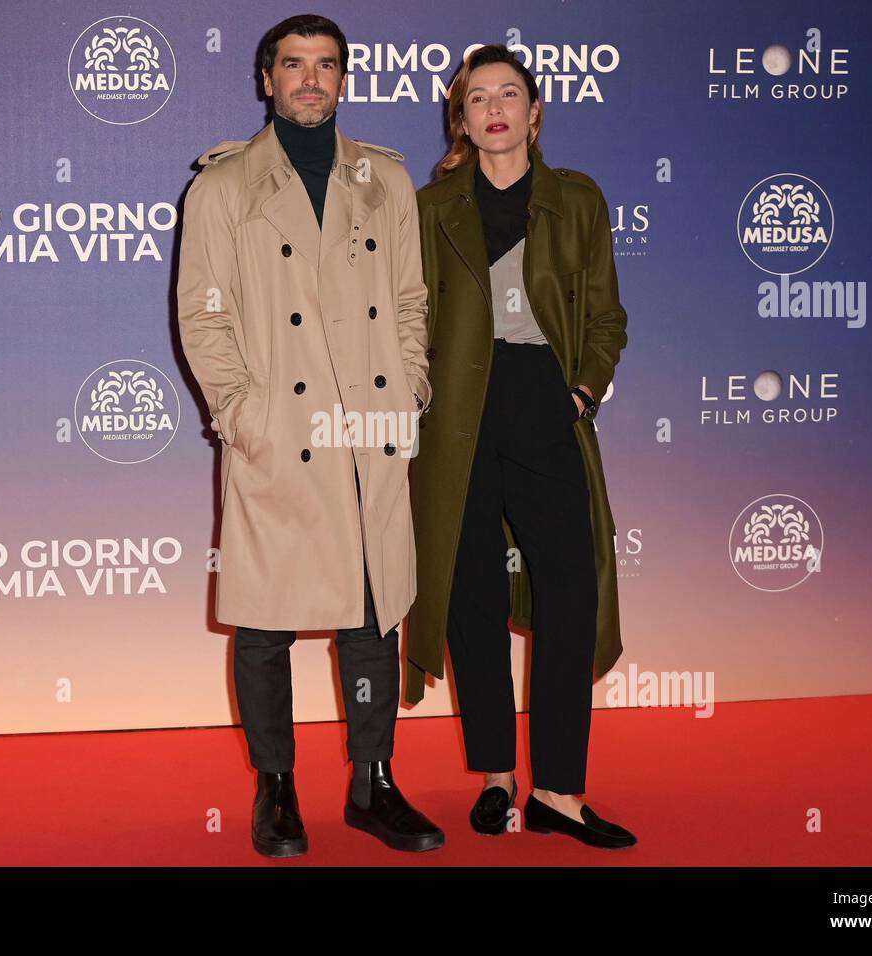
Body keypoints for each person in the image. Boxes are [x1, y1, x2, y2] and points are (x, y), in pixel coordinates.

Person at [176, 14, 443, 858]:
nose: (310, 81)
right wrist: (242, 417)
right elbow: (204, 317)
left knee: (370, 616)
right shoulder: (222, 187)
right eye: (293, 66)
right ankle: (277, 790)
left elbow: (408, 302)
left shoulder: (385, 180)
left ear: (343, 79)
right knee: (265, 627)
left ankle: (373, 784)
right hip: (280, 433)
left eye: (326, 66)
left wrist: (411, 390)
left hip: (367, 428)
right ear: (266, 78)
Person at [406, 44, 636, 848]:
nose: (495, 108)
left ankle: (561, 793)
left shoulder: (577, 200)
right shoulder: (431, 207)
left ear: (536, 114)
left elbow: (607, 319)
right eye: (478, 98)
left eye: (511, 94)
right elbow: (410, 320)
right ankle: (498, 778)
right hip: (458, 421)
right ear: (461, 120)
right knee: (473, 598)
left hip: (547, 409)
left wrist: (579, 392)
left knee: (572, 597)